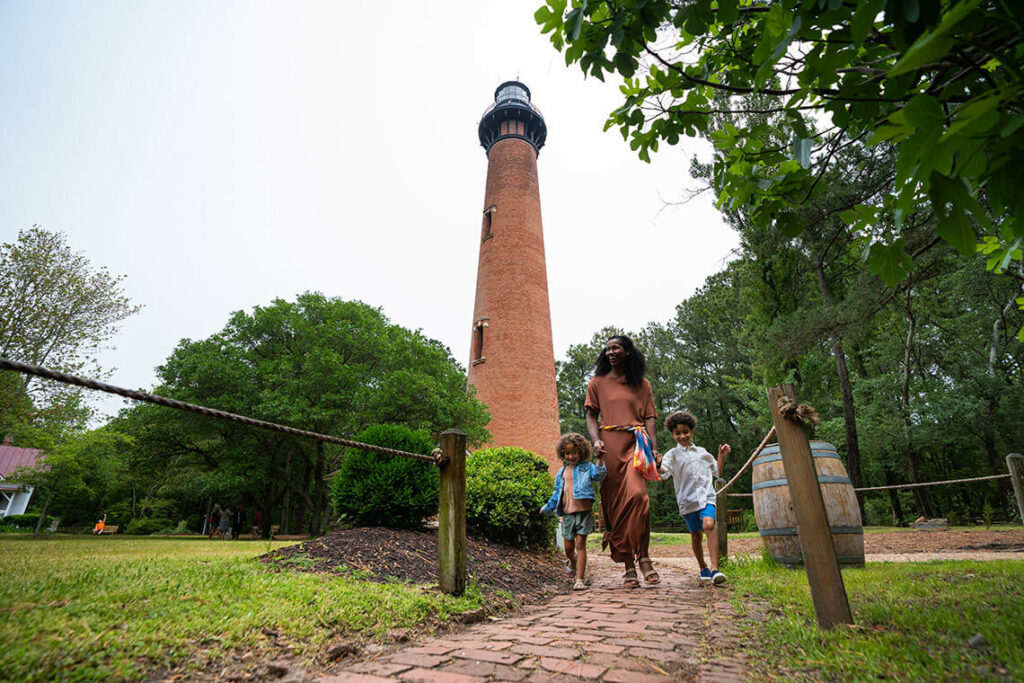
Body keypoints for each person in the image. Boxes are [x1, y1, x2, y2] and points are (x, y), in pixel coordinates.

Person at [585, 335, 662, 588]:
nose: (610, 352)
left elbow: (650, 418)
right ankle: (629, 565)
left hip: (637, 445)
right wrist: (596, 441)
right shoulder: (596, 383)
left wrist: (654, 448)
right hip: (609, 448)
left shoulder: (642, 384)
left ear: (628, 351)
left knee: (639, 498)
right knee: (616, 507)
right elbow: (591, 417)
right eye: (607, 349)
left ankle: (645, 557)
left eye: (615, 348)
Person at [656, 410, 731, 585]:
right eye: (678, 433)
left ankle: (715, 568)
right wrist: (657, 464)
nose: (683, 436)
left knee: (709, 525)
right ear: (673, 434)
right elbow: (663, 473)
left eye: (686, 432)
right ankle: (702, 565)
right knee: (696, 535)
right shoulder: (672, 455)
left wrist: (721, 456)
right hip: (687, 501)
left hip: (707, 497)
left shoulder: (702, 452)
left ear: (692, 431)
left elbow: (717, 472)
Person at [540, 433, 607, 591]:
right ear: (562, 454)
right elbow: (557, 495)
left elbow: (599, 475)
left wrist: (599, 459)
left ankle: (580, 579)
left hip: (584, 512)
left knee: (580, 545)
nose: (571, 456)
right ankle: (573, 561)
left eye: (574, 453)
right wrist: (547, 508)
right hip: (567, 514)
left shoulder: (587, 467)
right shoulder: (560, 473)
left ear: (581, 451)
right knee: (568, 548)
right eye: (567, 453)